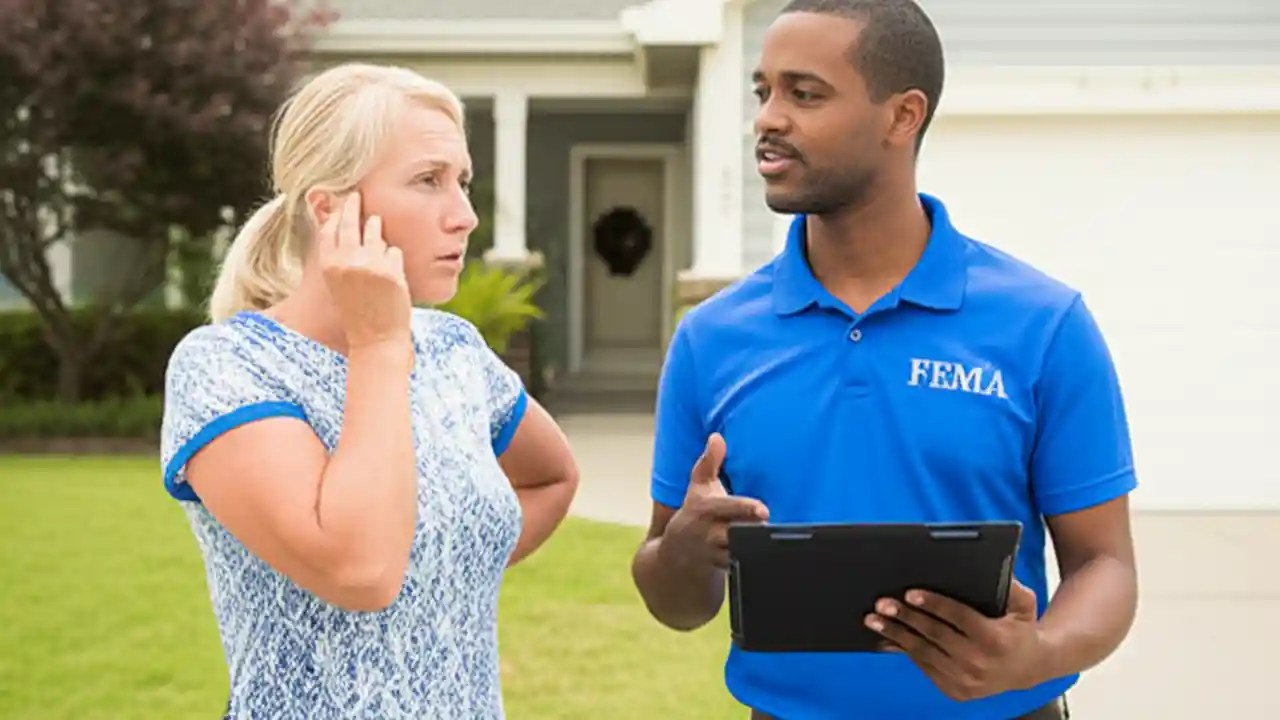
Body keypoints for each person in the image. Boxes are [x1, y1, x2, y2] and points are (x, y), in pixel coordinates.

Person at [630, 1, 1139, 718]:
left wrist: (1040, 653)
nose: (769, 118)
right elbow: (675, 602)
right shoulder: (711, 339)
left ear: (903, 116)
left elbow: (1105, 564)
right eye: (763, 91)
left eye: (804, 94)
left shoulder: (1043, 325)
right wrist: (681, 553)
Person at [159, 62, 580, 719]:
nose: (465, 216)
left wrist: (447, 577)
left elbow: (552, 478)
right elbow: (362, 572)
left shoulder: (454, 351)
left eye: (462, 182)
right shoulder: (226, 368)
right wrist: (379, 346)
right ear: (330, 209)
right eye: (428, 181)